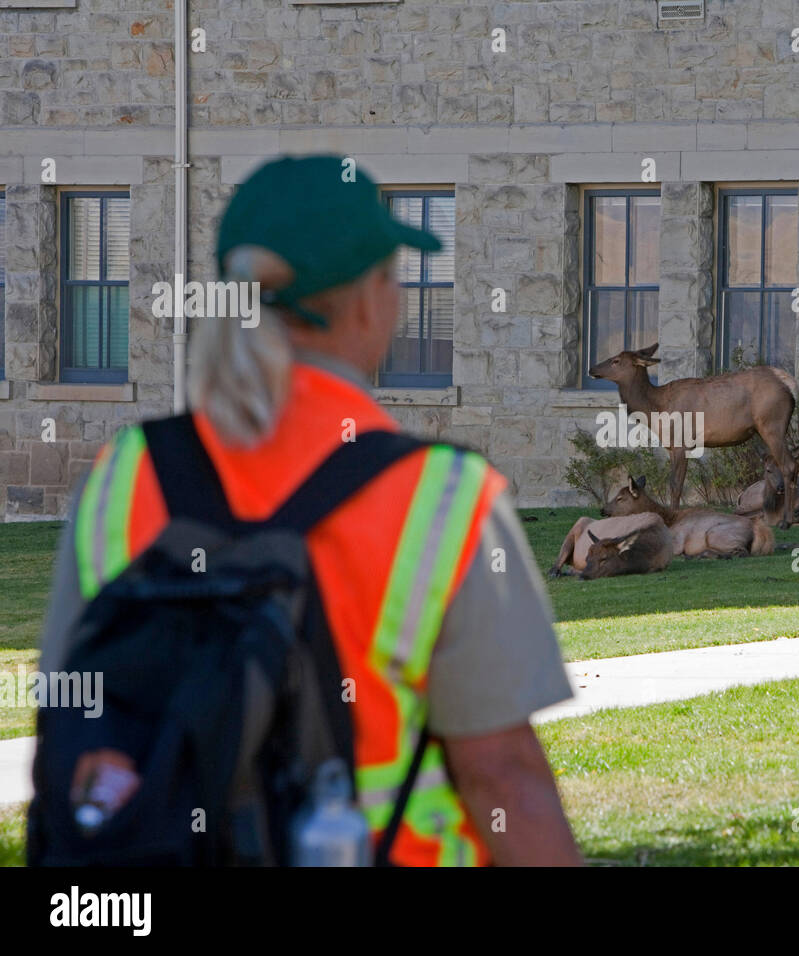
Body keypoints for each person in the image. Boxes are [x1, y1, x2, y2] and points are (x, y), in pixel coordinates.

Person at [37, 154, 582, 866]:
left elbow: (69, 714)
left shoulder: (121, 477)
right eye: (394, 278)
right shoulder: (441, 499)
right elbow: (499, 772)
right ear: (364, 303)